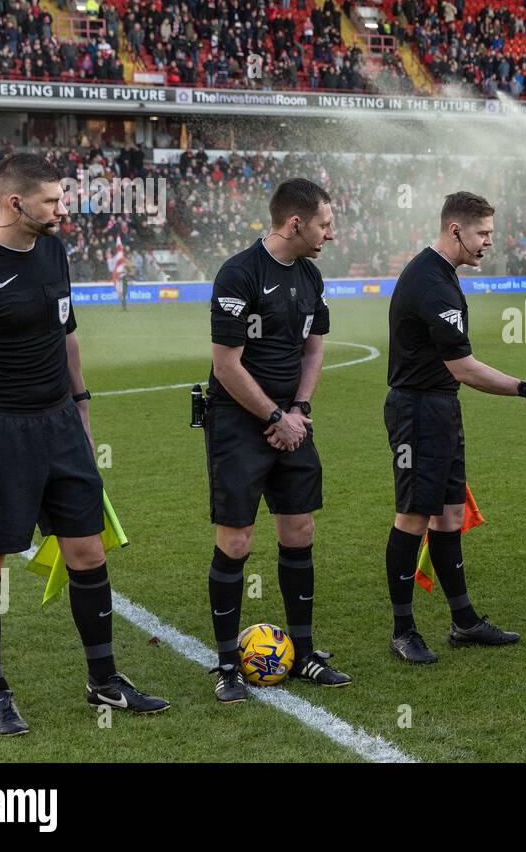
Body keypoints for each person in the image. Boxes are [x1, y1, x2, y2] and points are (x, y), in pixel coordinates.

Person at [0, 153, 168, 734]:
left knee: (88, 552)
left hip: (60, 425)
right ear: (15, 203)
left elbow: (68, 335)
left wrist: (82, 408)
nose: (63, 209)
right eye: (53, 201)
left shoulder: (56, 252)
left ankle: (104, 682)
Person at [383, 192, 526, 665]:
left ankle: (464, 623)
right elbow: (464, 368)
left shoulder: (441, 273)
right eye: (482, 234)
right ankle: (403, 631)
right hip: (417, 410)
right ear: (455, 230)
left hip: (439, 407)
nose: (487, 243)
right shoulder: (432, 283)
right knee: (413, 517)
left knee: (449, 516)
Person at [203, 178, 350, 703]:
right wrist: (273, 414)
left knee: (300, 529)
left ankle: (305, 652)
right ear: (295, 223)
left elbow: (313, 350)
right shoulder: (239, 274)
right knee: (236, 541)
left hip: (291, 421)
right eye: (325, 224)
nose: (330, 234)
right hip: (238, 422)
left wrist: (299, 411)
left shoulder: (310, 276)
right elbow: (226, 364)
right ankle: (226, 664)